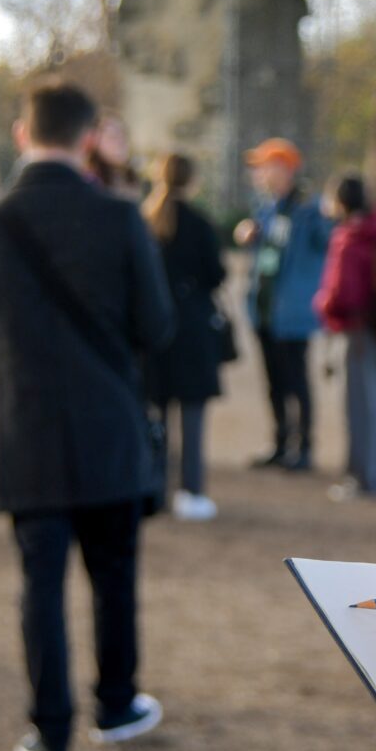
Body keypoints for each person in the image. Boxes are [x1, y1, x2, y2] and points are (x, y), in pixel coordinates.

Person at [0, 77, 176, 751]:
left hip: (25, 429)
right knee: (114, 577)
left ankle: (49, 732)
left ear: (22, 135)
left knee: (39, 584)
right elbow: (158, 327)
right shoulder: (119, 217)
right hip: (108, 423)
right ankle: (115, 704)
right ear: (87, 139)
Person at [143, 151, 227, 522]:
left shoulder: (144, 221)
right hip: (192, 329)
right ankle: (191, 491)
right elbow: (216, 274)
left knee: (154, 415)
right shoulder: (200, 223)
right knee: (192, 416)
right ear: (191, 180)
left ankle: (154, 488)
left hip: (155, 328)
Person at [239, 138, 331, 471]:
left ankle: (303, 448)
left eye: (265, 166)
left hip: (292, 312)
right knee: (274, 381)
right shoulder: (266, 207)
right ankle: (280, 444)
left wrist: (326, 214)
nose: (259, 174)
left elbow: (327, 241)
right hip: (264, 309)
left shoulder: (308, 207)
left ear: (284, 169)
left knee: (297, 381)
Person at [314, 173, 376, 499]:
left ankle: (363, 478)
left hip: (358, 330)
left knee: (361, 406)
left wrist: (322, 304)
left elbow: (343, 294)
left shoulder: (348, 238)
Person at [88, 112, 143, 202]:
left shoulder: (132, 178)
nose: (121, 141)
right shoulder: (90, 183)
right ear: (96, 142)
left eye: (124, 134)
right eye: (112, 136)